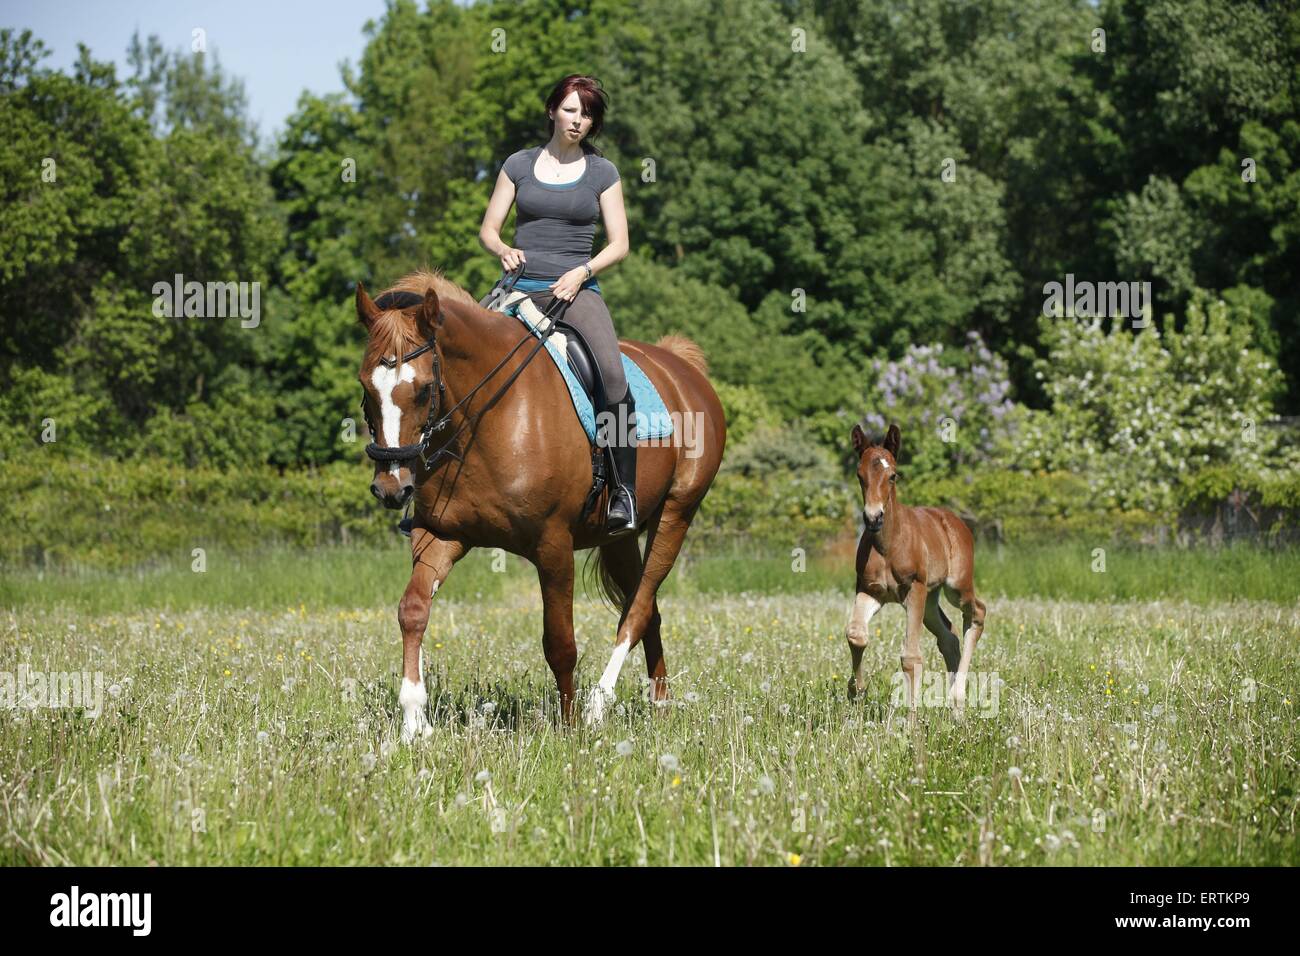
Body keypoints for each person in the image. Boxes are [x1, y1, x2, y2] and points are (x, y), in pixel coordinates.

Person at [478, 74, 637, 536]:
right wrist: (502, 249)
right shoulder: (518, 165)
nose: (578, 120)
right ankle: (434, 486)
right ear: (552, 111)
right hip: (519, 285)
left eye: (586, 114)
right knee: (454, 361)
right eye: (570, 110)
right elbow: (488, 228)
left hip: (575, 289)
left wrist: (582, 273)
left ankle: (623, 490)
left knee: (612, 374)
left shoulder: (603, 173)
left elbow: (620, 243)